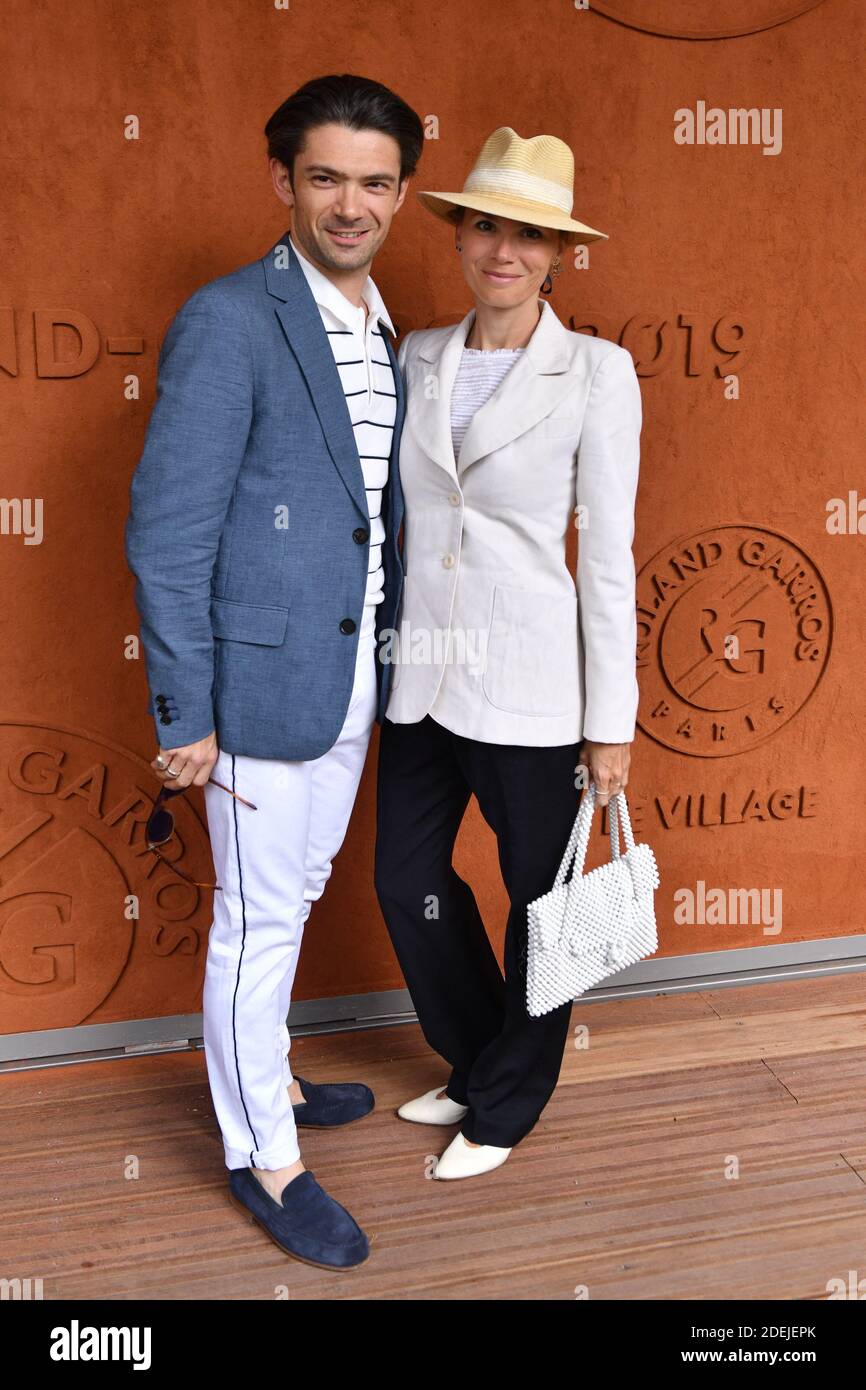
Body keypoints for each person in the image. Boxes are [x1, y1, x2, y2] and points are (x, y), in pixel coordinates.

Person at [123, 74, 423, 1268]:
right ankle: (263, 1153)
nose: (349, 205)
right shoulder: (230, 316)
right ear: (282, 183)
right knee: (253, 920)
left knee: (288, 901)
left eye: (373, 182)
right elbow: (167, 529)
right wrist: (186, 713)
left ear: (400, 192)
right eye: (324, 178)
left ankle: (273, 1077)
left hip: (347, 675)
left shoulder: (380, 320)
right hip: (249, 697)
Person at [374, 126, 643, 1180]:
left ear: (558, 255)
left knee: (542, 900)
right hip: (420, 672)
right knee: (407, 878)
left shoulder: (596, 374)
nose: (505, 250)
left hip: (534, 685)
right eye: (488, 225)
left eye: (530, 235)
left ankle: (507, 1102)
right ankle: (477, 1054)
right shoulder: (416, 356)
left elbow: (610, 556)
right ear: (457, 234)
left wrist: (607, 725)